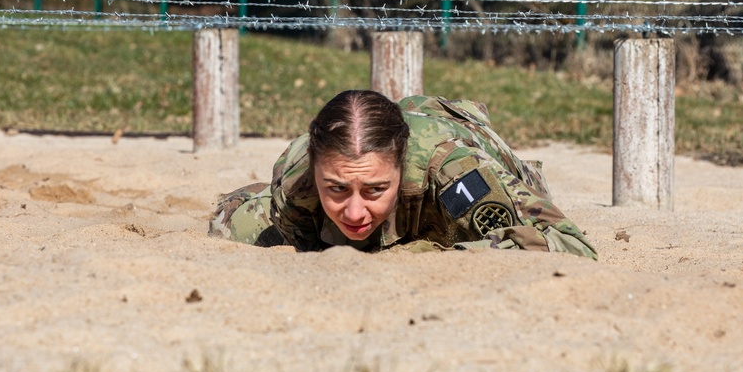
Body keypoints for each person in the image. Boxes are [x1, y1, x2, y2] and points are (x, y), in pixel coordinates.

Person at [209, 90, 597, 259]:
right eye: (338, 189)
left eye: (375, 189)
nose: (356, 211)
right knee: (230, 225)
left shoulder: (454, 171)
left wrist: (444, 258)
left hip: (457, 177)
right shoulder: (296, 179)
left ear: (402, 167)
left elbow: (571, 244)